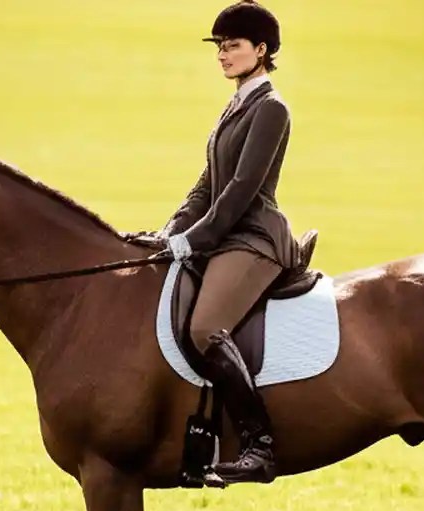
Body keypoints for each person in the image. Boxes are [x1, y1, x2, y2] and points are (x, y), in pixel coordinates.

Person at [161, 0, 297, 485]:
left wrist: (195, 240)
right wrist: (169, 231)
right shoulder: (236, 104)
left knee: (205, 328)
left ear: (261, 51)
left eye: (232, 46)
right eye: (219, 47)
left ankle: (259, 443)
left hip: (255, 238)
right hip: (225, 233)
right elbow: (207, 184)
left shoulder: (271, 109)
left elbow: (241, 190)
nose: (222, 54)